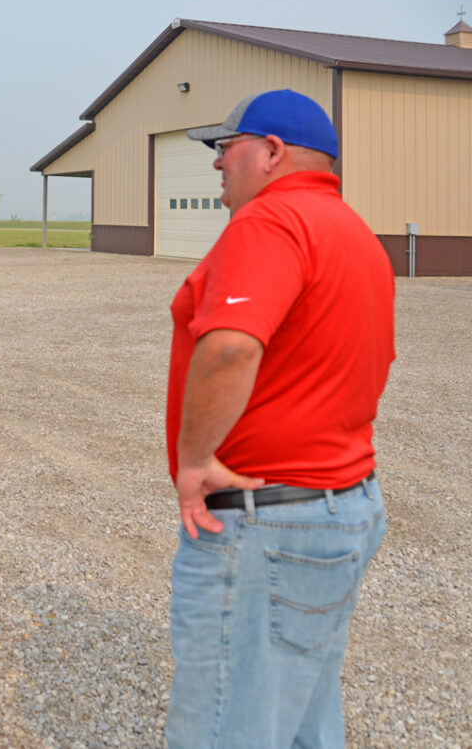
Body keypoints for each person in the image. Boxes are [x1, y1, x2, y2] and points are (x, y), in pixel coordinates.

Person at [164, 89, 395, 748]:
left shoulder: (269, 222)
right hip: (341, 506)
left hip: (268, 525)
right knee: (301, 720)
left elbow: (232, 343)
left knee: (224, 728)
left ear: (270, 152)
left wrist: (194, 461)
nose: (216, 165)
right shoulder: (355, 234)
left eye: (224, 148)